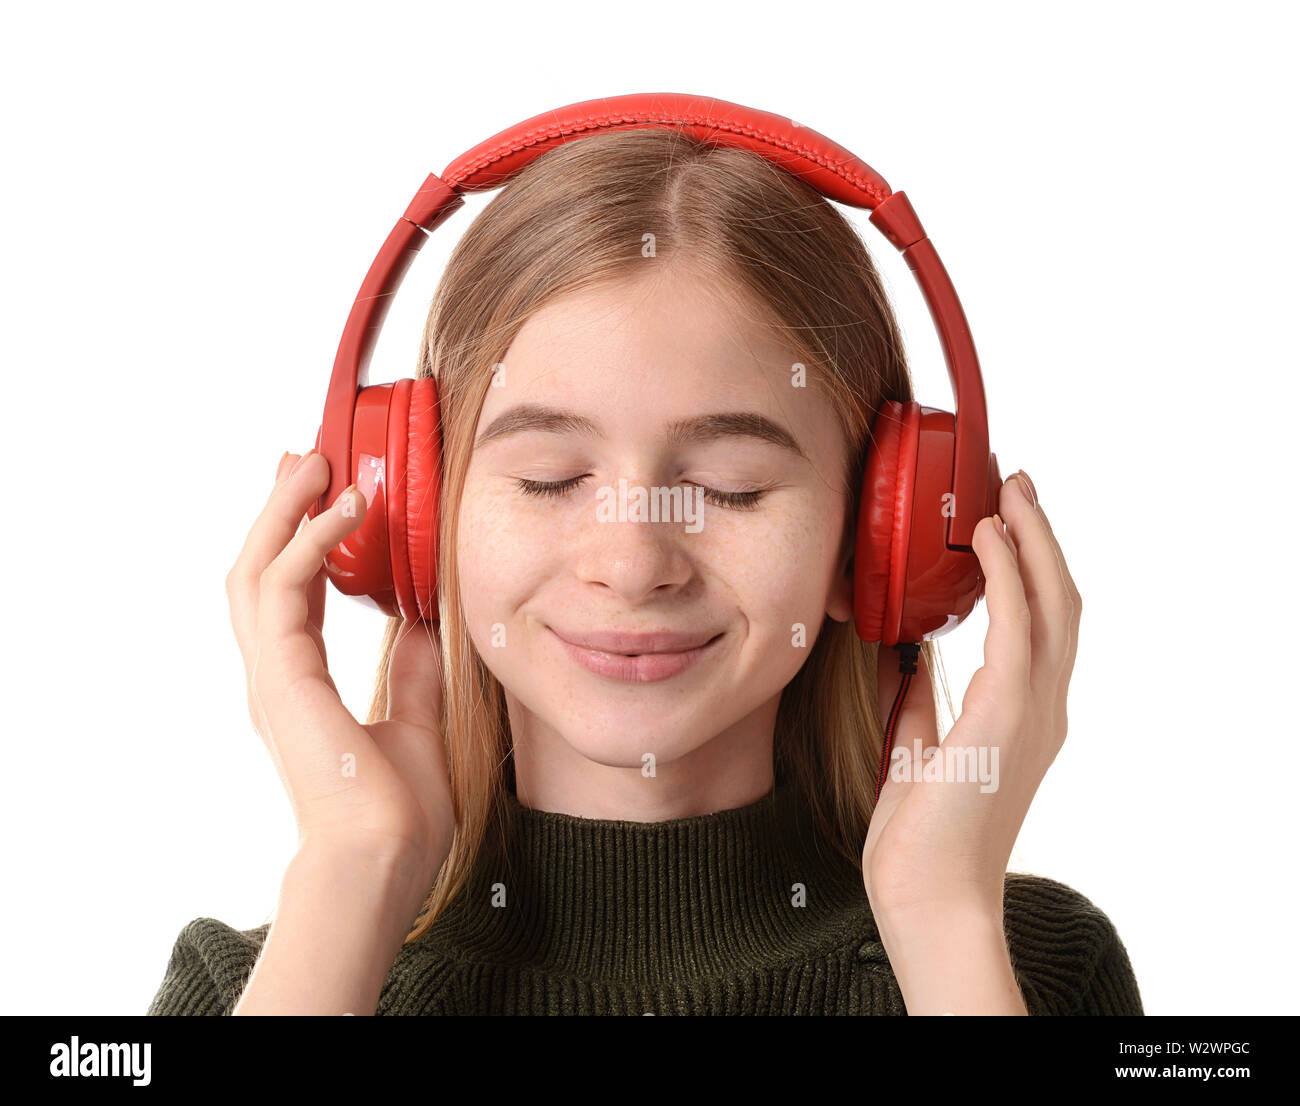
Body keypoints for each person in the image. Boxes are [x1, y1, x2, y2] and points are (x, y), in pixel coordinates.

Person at [147, 128, 1142, 1016]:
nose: (631, 562)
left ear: (873, 539)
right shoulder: (249, 990)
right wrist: (352, 874)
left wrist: (942, 929)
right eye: (547, 478)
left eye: (732, 485)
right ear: (421, 517)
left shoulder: (1030, 971)